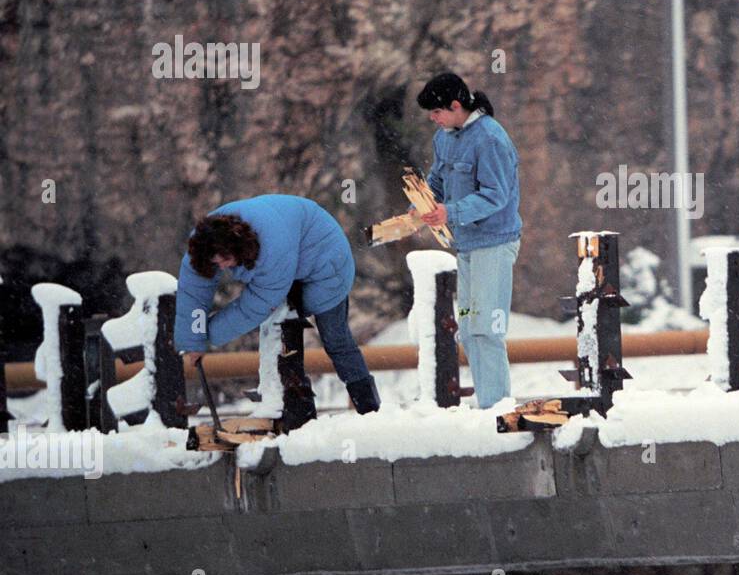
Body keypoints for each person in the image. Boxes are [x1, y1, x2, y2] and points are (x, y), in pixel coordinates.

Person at [172, 194, 380, 417]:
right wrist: (194, 337)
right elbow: (193, 289)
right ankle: (298, 409)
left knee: (334, 339)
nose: (221, 266)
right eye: (215, 262)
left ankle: (368, 407)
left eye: (225, 259)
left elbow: (252, 308)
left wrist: (207, 335)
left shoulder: (271, 250)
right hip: (291, 256)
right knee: (284, 331)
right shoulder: (205, 241)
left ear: (239, 248)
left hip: (327, 264)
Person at [416, 72, 522, 409]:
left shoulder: (490, 138)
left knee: (487, 328)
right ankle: (487, 402)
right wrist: (421, 202)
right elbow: (436, 179)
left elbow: (496, 195)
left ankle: (497, 405)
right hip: (466, 245)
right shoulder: (445, 137)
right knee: (468, 324)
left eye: (437, 112)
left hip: (493, 243)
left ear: (456, 105)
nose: (433, 119)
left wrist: (451, 212)